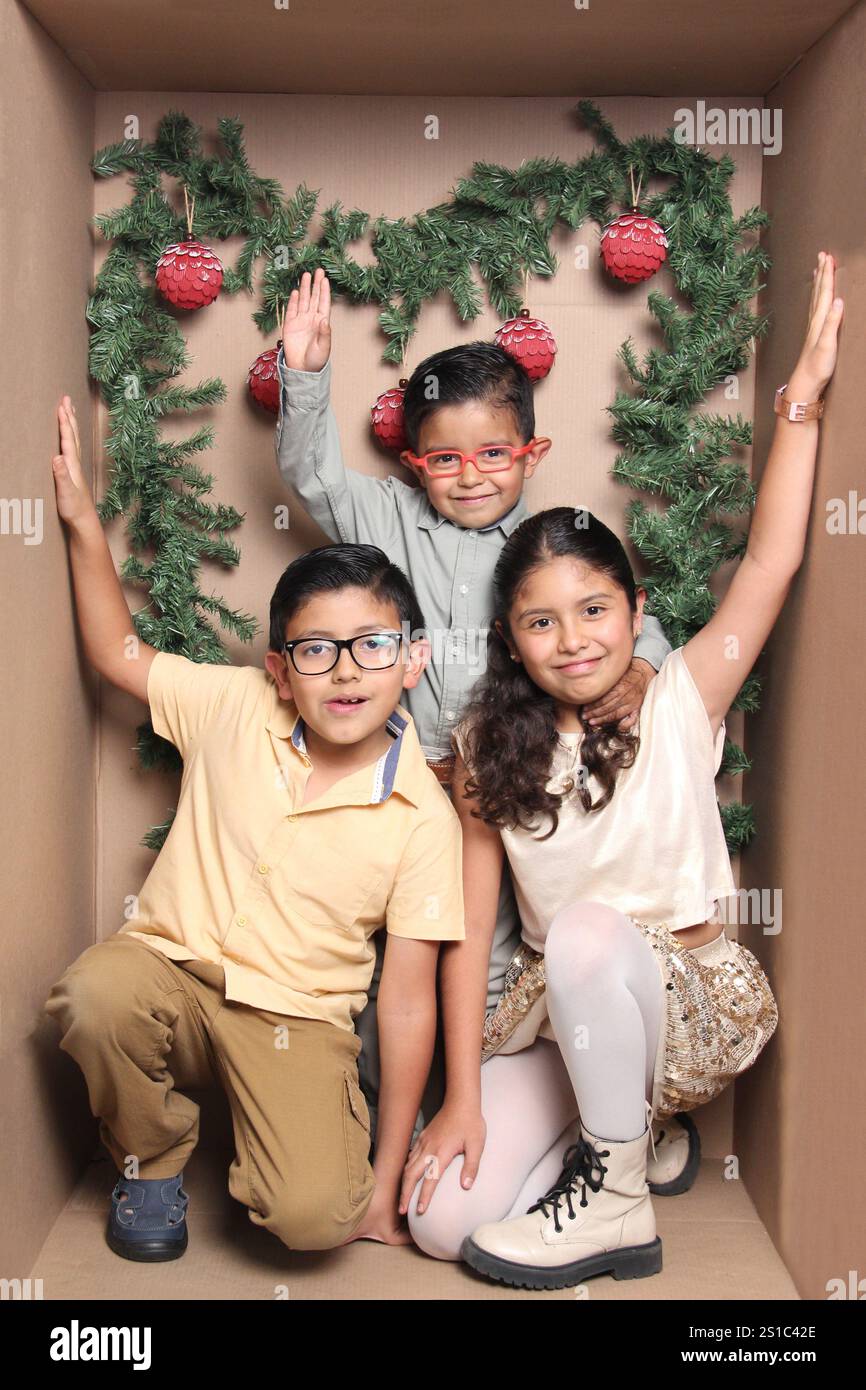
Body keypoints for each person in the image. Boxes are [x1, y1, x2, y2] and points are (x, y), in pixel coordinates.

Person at [399, 251, 842, 1289]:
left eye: (595, 611)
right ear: (509, 640)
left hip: (686, 1006)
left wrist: (799, 408)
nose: (572, 640)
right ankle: (621, 1144)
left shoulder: (681, 695)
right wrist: (460, 1094)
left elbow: (770, 562)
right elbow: (467, 937)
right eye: (539, 622)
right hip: (562, 1021)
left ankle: (615, 1199)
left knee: (593, 926)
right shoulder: (483, 752)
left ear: (635, 615)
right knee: (440, 1218)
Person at [43, 394, 465, 1260]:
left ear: (412, 659)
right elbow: (117, 655)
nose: (346, 673)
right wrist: (84, 523)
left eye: (373, 646)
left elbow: (409, 998)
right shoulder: (233, 704)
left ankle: (291, 1146)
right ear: (280, 669)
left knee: (317, 1220)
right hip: (171, 975)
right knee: (96, 995)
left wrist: (384, 1184)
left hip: (298, 1021)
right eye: (316, 651)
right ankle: (152, 1157)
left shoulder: (424, 815)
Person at [275, 269, 673, 1166]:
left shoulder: (548, 545)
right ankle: (401, 1131)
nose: (469, 476)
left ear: (531, 456)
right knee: (392, 967)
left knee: (491, 958)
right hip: (405, 798)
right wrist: (304, 377)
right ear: (415, 463)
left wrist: (646, 665)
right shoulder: (383, 515)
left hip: (508, 799)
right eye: (445, 459)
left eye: (494, 454)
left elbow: (632, 611)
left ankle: (529, 1120)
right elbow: (310, 471)